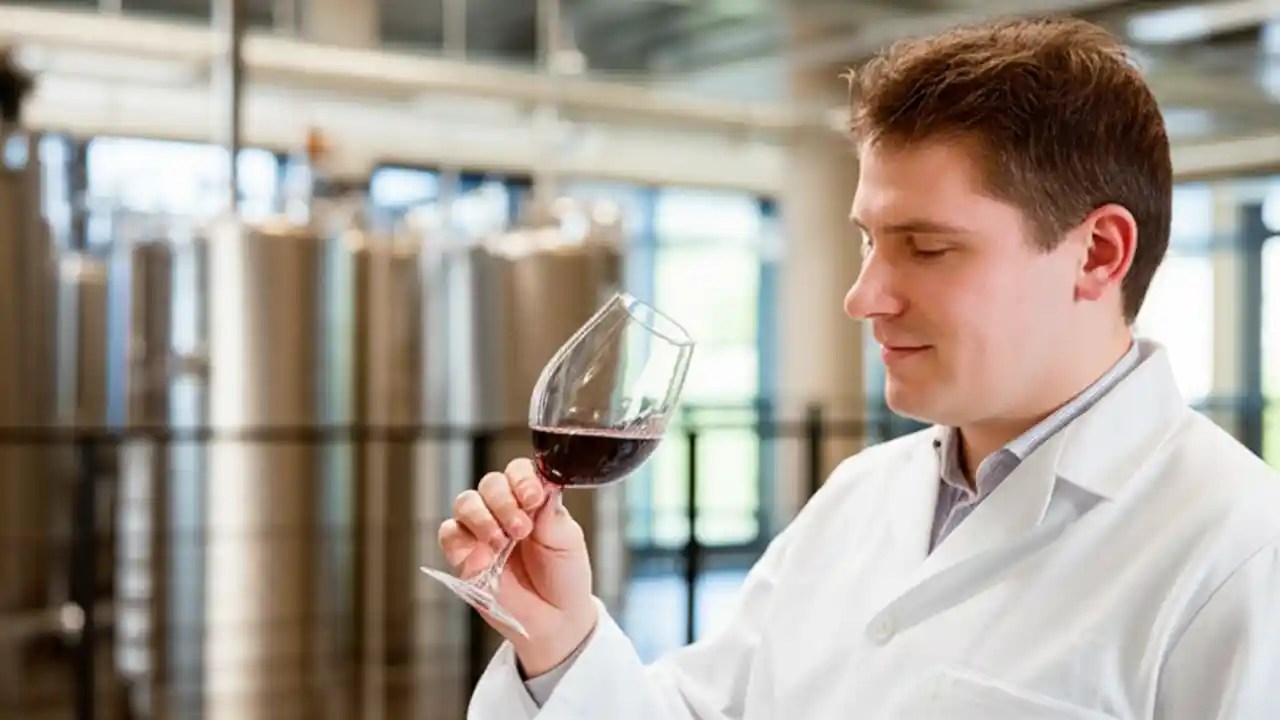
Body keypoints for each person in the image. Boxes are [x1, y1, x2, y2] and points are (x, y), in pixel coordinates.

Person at [438, 16, 1280, 719]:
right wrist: (562, 641)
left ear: (1097, 252)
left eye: (927, 246)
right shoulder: (859, 497)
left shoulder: (1241, 554)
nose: (863, 296)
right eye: (870, 241)